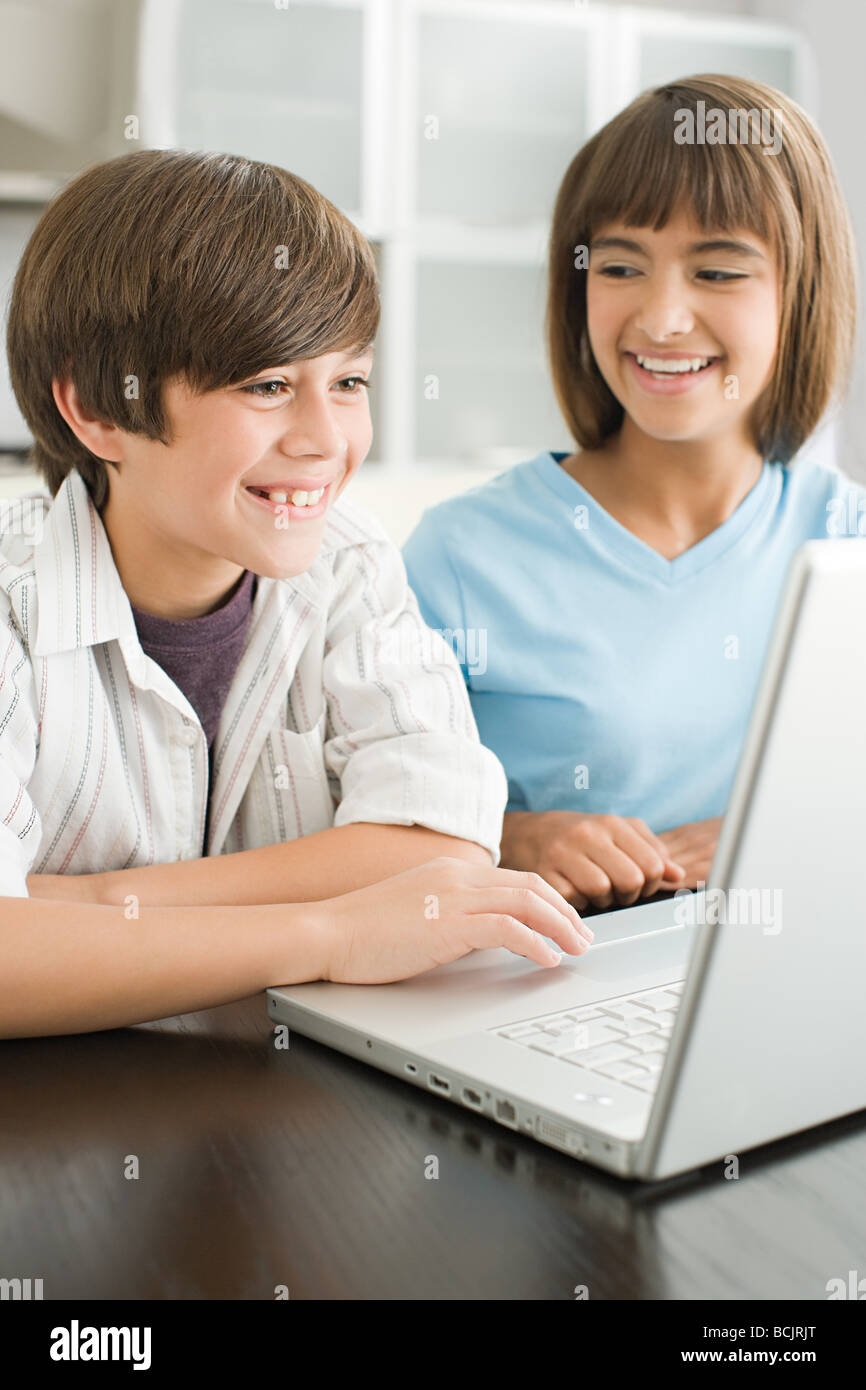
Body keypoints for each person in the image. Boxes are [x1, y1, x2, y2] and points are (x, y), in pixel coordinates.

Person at [0, 149, 591, 1038]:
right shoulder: (17, 602)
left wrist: (88, 905)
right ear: (98, 409)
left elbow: (442, 843)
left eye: (348, 382)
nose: (325, 439)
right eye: (269, 385)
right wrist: (329, 931)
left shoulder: (347, 565)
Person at [403, 74, 866, 914]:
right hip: (544, 985)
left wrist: (780, 833)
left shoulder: (847, 537)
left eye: (718, 272)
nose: (660, 319)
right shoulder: (460, 556)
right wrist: (510, 837)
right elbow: (360, 813)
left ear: (802, 293)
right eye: (620, 265)